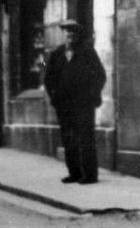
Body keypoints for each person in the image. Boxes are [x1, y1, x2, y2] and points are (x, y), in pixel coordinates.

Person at [43, 19, 106, 185]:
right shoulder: (56, 55)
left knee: (85, 138)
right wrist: (55, 97)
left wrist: (92, 95)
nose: (70, 35)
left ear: (78, 35)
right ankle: (74, 173)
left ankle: (90, 175)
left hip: (83, 104)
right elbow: (49, 79)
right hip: (64, 105)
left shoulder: (87, 52)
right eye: (67, 32)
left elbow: (100, 75)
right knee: (68, 139)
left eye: (73, 32)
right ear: (64, 35)